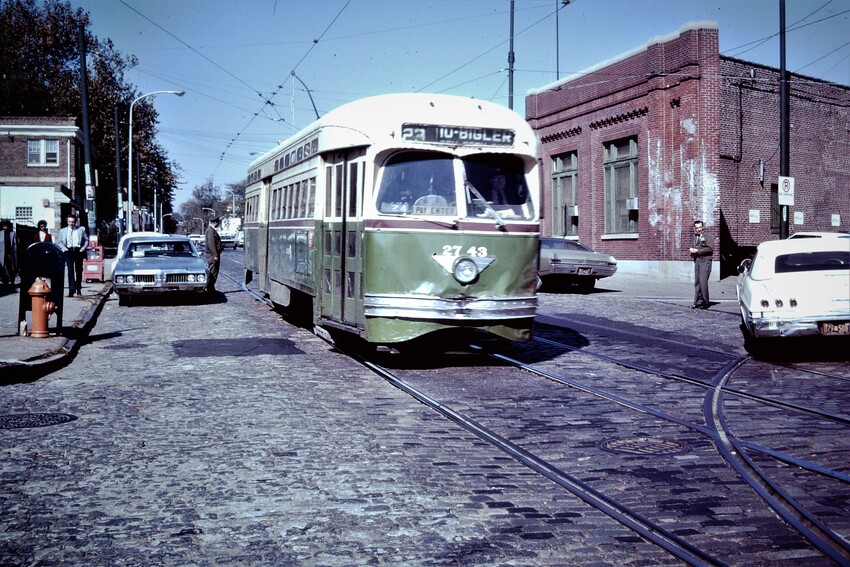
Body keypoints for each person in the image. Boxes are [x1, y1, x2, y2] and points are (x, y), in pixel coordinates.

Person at [58, 214, 89, 297]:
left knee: (78, 271)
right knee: (70, 271)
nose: (71, 223)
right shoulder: (63, 231)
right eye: (69, 222)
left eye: (73, 222)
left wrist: (83, 248)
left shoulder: (80, 230)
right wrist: (65, 249)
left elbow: (86, 239)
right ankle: (71, 290)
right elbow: (60, 242)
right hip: (69, 251)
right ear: (67, 222)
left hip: (78, 251)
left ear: (75, 222)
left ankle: (78, 288)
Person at [689, 220, 714, 309]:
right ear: (694, 228)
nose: (699, 229)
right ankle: (697, 302)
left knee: (703, 282)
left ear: (703, 227)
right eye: (697, 228)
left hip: (705, 261)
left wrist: (698, 251)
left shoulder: (708, 236)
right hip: (698, 261)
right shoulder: (695, 237)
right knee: (697, 282)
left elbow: (710, 249)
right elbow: (695, 247)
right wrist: (692, 252)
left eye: (700, 227)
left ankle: (705, 302)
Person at [205, 216, 224, 293]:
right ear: (215, 222)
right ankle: (210, 288)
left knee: (214, 271)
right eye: (218, 222)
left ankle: (211, 287)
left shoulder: (211, 230)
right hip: (212, 256)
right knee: (213, 272)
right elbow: (211, 244)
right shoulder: (210, 231)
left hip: (212, 255)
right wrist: (215, 255)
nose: (218, 224)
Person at [0, 219, 19, 289]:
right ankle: (4, 281)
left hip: (10, 253)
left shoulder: (13, 233)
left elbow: (17, 244)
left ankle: (12, 280)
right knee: (3, 267)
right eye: (4, 226)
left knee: (11, 267)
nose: (5, 228)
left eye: (6, 226)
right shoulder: (0, 233)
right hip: (2, 253)